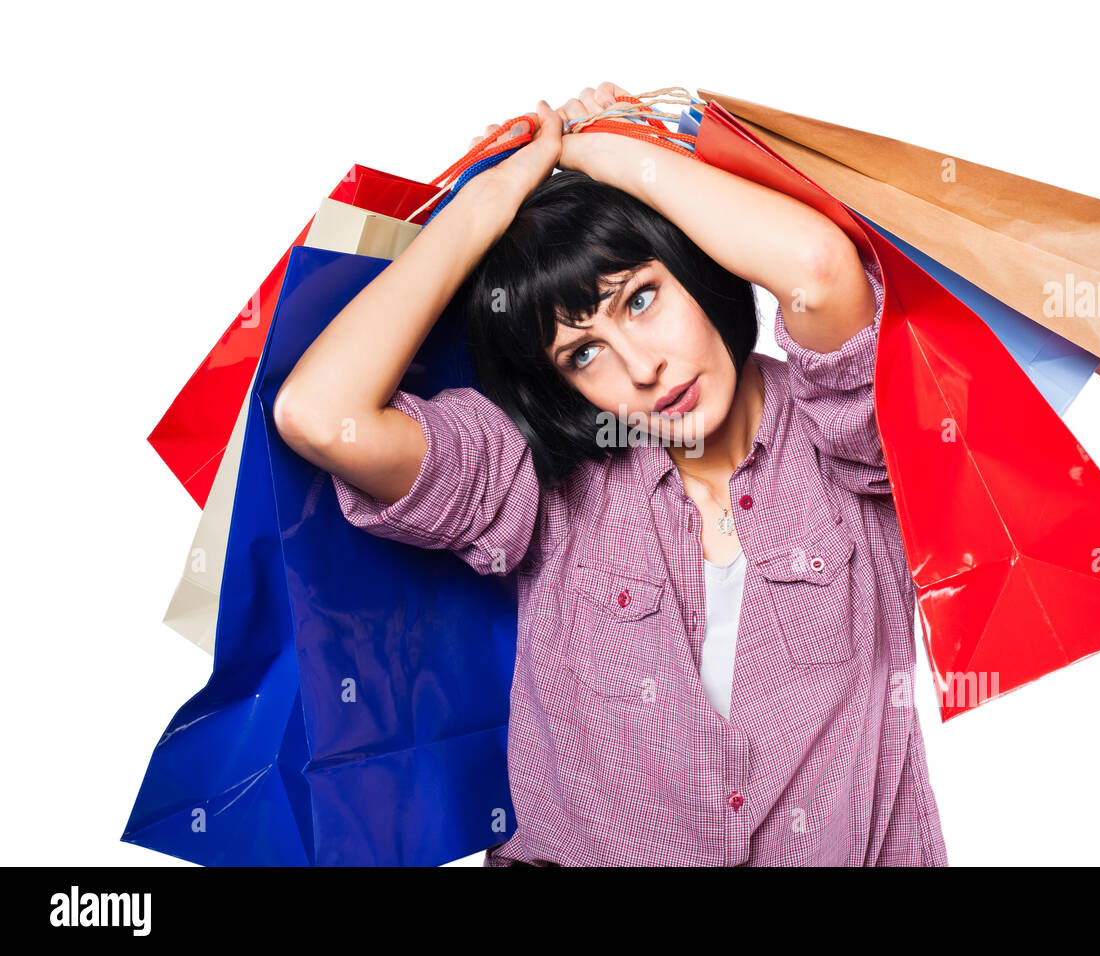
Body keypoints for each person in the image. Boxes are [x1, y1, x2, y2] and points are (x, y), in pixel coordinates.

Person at [274, 82, 947, 866]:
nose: (643, 367)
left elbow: (821, 266)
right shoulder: (534, 474)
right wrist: (495, 197)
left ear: (698, 266)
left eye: (642, 298)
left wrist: (602, 149)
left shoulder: (851, 434)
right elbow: (319, 416)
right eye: (582, 352)